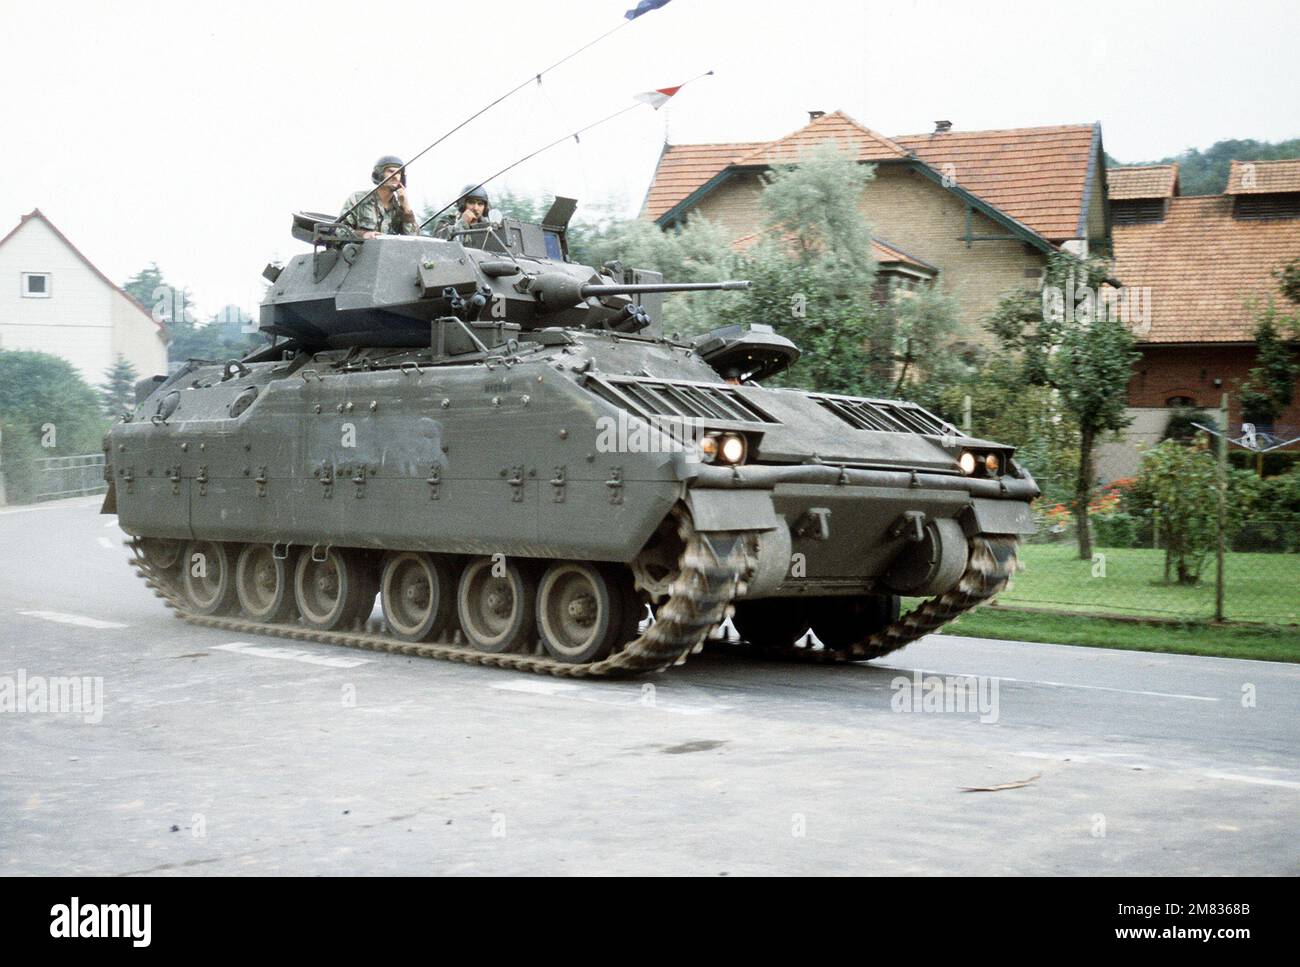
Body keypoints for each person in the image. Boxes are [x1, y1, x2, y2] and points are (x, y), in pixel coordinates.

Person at [338, 156, 419, 239]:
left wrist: (406, 207)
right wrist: (363, 235)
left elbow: (413, 239)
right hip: (359, 250)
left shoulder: (399, 209)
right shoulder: (358, 199)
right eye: (391, 171)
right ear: (379, 174)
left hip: (386, 251)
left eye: (399, 173)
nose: (396, 176)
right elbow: (338, 230)